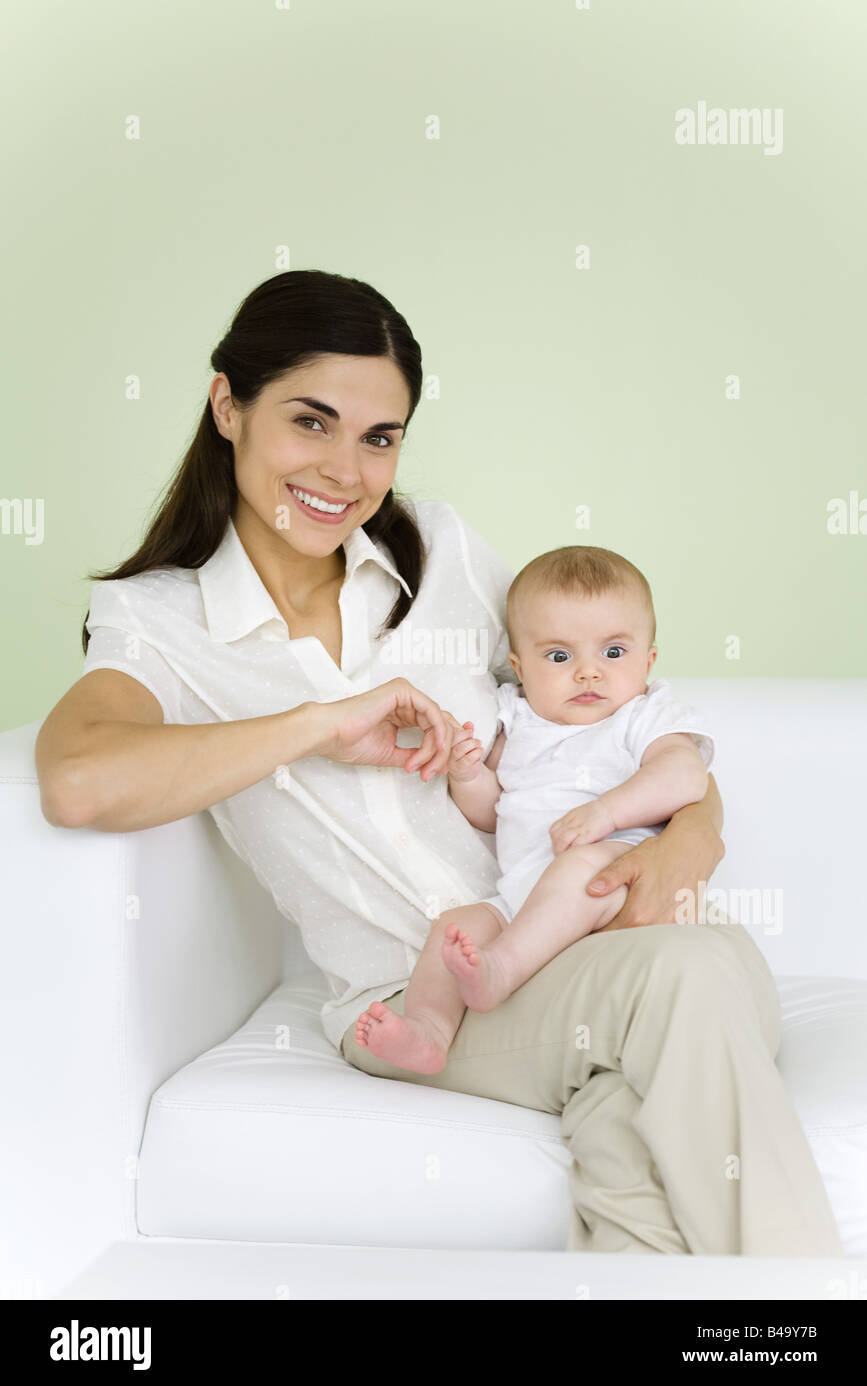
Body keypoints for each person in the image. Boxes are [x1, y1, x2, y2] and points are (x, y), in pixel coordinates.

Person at [35, 268, 843, 1257]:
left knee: (637, 1127)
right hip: (434, 1004)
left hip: (605, 942)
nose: (345, 470)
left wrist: (693, 843)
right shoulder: (156, 620)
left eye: (380, 436)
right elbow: (79, 778)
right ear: (227, 405)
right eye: (311, 421)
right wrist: (320, 722)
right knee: (684, 982)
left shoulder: (444, 553)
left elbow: (610, 710)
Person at [353, 546, 716, 1076]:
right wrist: (470, 775)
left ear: (649, 660)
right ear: (521, 668)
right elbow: (492, 815)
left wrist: (606, 814)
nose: (589, 674)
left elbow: (686, 775)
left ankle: (501, 971)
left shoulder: (643, 715)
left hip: (616, 880)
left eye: (614, 653)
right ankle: (429, 1032)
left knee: (578, 867)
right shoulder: (518, 722)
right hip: (522, 896)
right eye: (560, 657)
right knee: (458, 923)